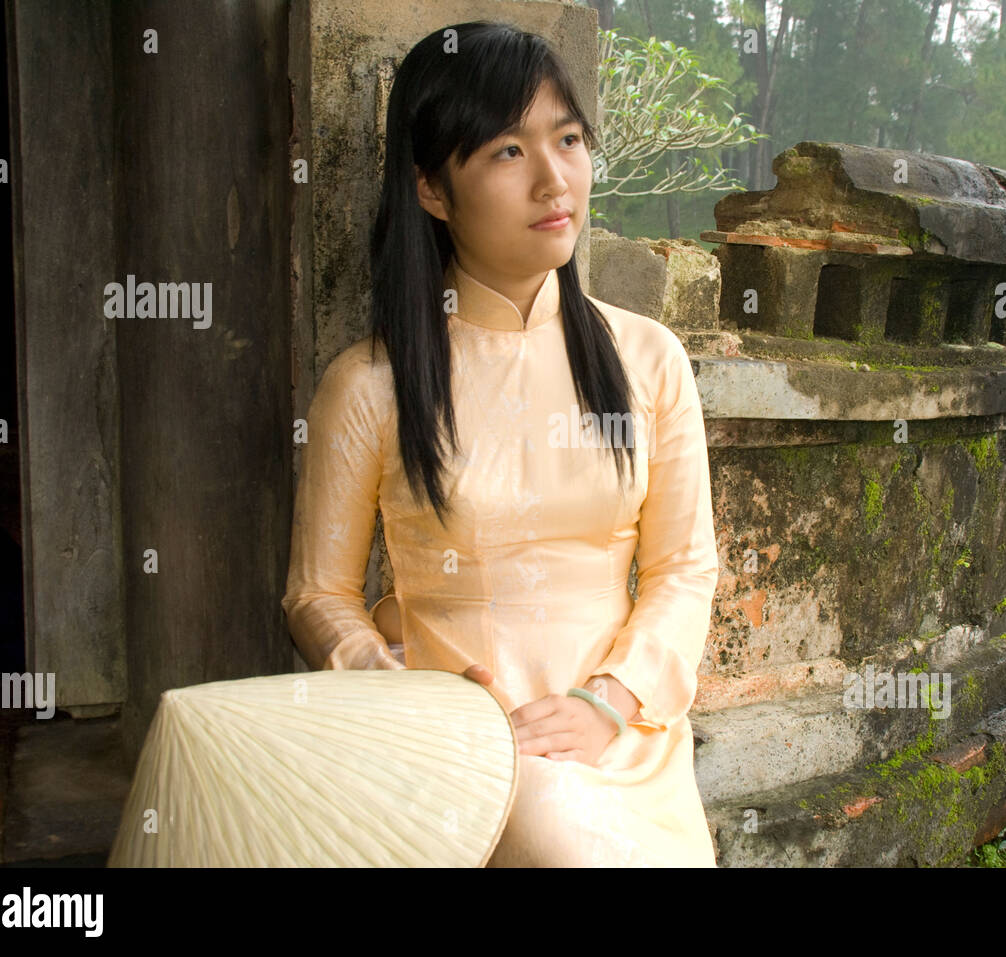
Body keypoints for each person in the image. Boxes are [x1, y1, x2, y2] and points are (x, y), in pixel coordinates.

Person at [281, 20, 719, 867]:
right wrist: (396, 692)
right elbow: (316, 593)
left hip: (622, 736)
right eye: (508, 152)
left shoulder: (648, 359)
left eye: (567, 139)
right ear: (433, 191)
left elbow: (683, 568)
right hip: (467, 746)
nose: (555, 179)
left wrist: (609, 700)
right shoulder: (369, 385)